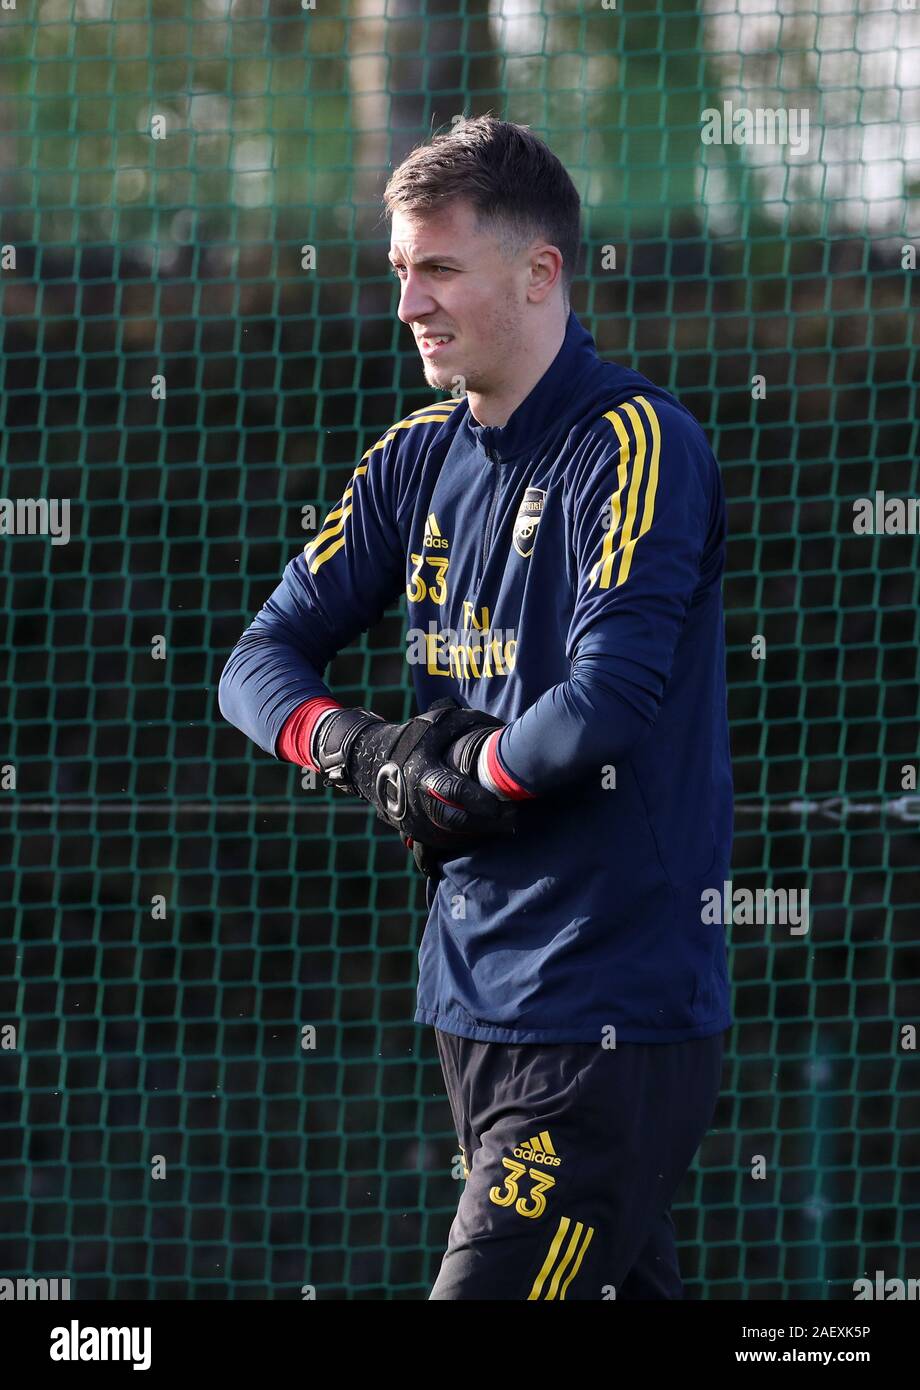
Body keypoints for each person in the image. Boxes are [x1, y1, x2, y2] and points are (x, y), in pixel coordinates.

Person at [218, 114, 733, 1300]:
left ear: (539, 271)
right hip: (471, 1001)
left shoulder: (635, 443)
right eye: (400, 270)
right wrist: (363, 750)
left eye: (439, 267)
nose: (409, 303)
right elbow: (258, 660)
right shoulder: (410, 459)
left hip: (607, 1011)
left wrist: (473, 774)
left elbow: (606, 700)